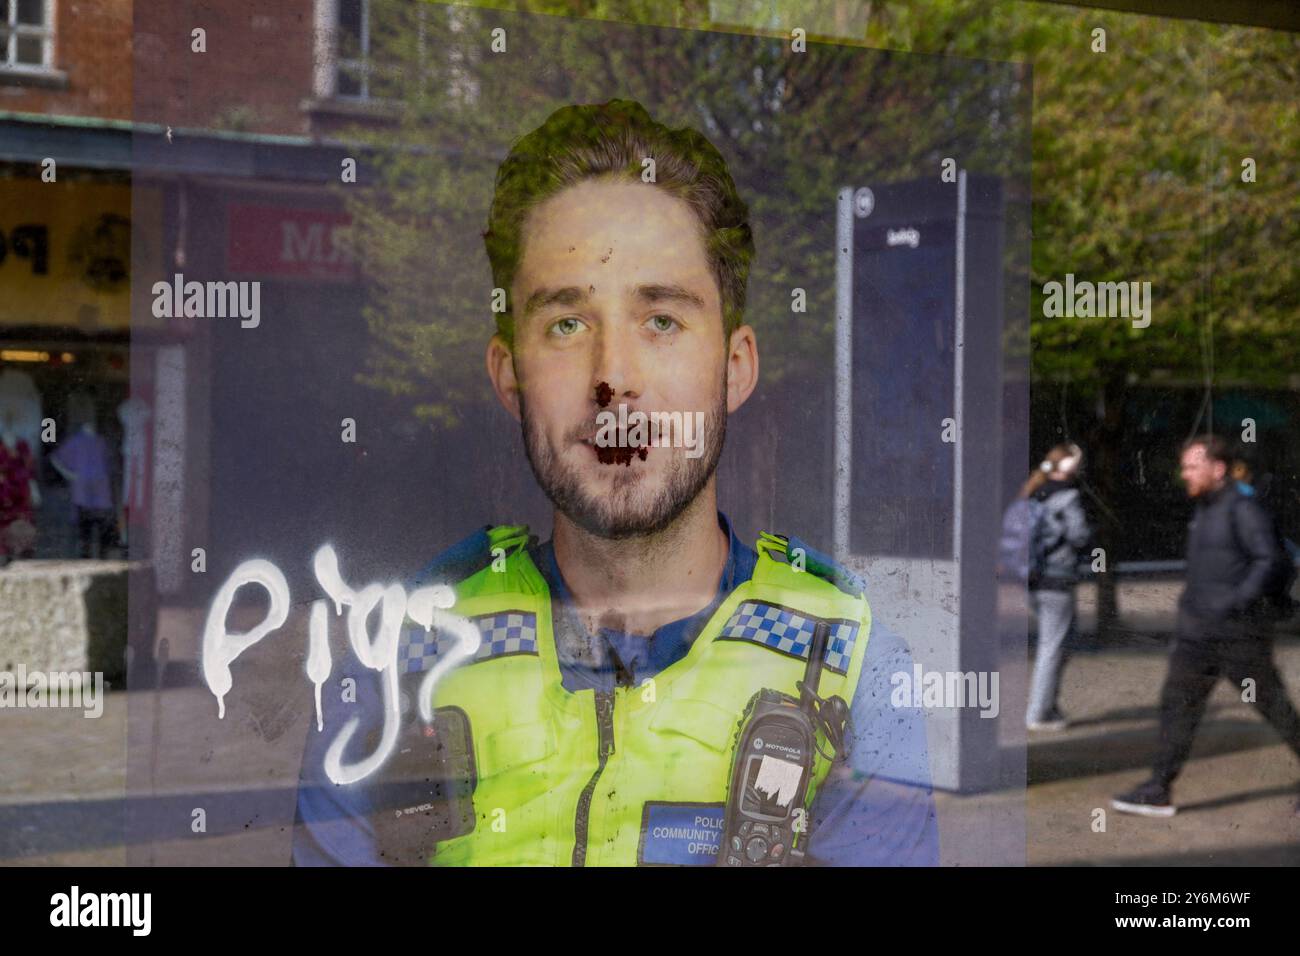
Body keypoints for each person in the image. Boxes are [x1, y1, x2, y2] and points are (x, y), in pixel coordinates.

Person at [292, 99, 939, 866]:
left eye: (661, 319)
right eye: (566, 323)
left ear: (734, 367)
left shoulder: (852, 668)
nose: (614, 379)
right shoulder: (395, 659)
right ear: (509, 376)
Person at [1112, 434, 1300, 818]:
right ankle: (1158, 789)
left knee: (1274, 708)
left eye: (1192, 466)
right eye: (1184, 466)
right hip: (1197, 636)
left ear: (1217, 468)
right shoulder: (1205, 509)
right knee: (1177, 707)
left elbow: (1272, 561)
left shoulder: (1244, 509)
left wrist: (1235, 601)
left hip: (1238, 636)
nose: (1185, 474)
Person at [1020, 443, 1091, 732]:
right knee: (1052, 647)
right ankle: (1038, 713)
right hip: (1057, 581)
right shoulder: (1069, 497)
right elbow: (1079, 535)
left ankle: (1048, 706)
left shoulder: (1031, 493)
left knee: (1057, 644)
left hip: (1030, 581)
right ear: (1071, 467)